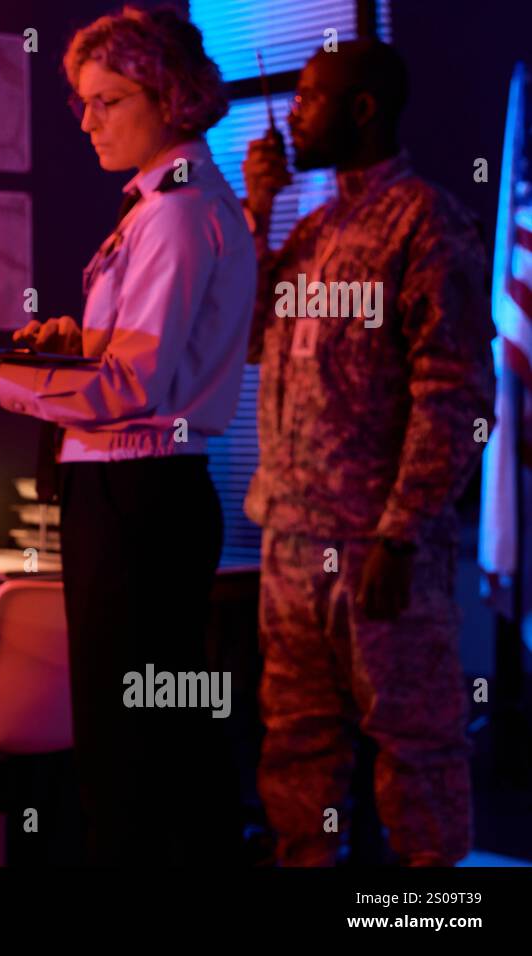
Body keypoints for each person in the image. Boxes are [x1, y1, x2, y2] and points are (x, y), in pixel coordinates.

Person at [0, 6, 255, 864]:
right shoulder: (163, 205)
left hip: (138, 492)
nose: (88, 120)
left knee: (129, 751)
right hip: (135, 494)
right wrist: (79, 344)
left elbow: (136, 385)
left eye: (108, 101)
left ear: (170, 99)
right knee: (139, 740)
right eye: (82, 102)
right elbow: (141, 354)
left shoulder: (173, 215)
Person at [242, 39, 494, 866]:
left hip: (376, 546)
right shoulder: (313, 230)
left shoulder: (427, 220)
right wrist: (259, 206)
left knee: (415, 747)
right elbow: (239, 336)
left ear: (363, 109)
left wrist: (400, 531)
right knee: (298, 748)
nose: (294, 115)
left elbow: (452, 392)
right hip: (290, 540)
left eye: (310, 99)